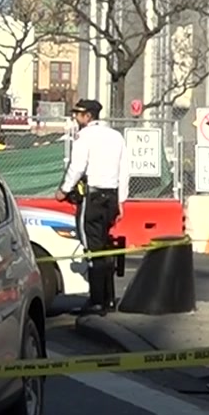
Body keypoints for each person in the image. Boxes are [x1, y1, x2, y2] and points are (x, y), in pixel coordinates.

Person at [59, 98, 126, 314]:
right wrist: (122, 200)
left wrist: (64, 190)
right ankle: (108, 299)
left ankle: (96, 301)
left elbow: (77, 166)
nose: (75, 119)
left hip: (93, 197)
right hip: (111, 197)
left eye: (78, 115)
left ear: (87, 116)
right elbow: (125, 169)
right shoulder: (116, 136)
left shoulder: (84, 137)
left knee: (91, 249)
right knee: (104, 247)